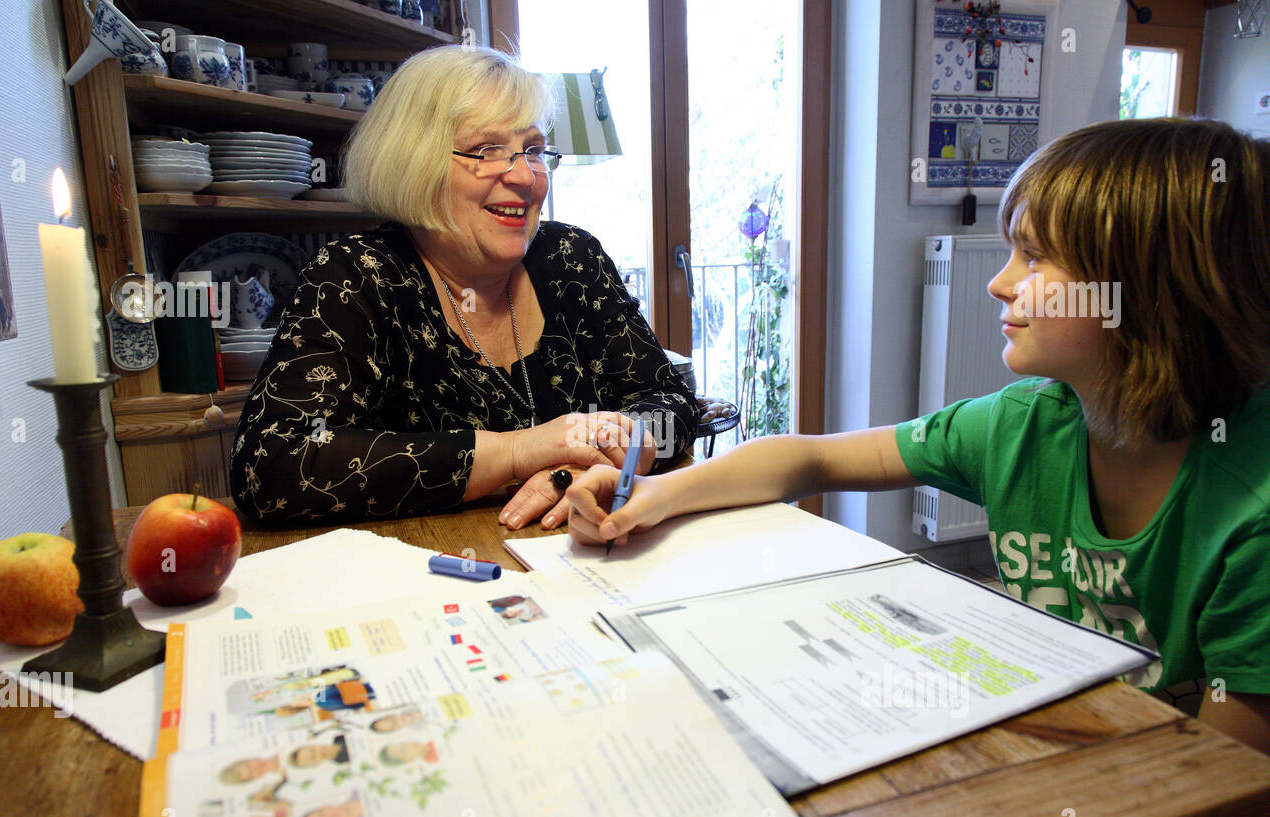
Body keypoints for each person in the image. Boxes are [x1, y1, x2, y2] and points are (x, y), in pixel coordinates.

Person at [567, 118, 1270, 754]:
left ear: (1143, 291)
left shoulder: (1252, 510)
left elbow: (1221, 786)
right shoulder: (1024, 422)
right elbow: (809, 457)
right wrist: (655, 493)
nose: (999, 284)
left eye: (1033, 257)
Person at [229, 45, 696, 528]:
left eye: (533, 150)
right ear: (417, 163)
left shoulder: (572, 258)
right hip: (430, 575)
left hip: (583, 555)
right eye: (485, 151)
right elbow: (273, 463)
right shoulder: (358, 276)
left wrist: (619, 451)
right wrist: (518, 452)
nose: (523, 176)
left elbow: (670, 400)